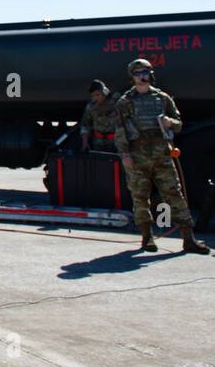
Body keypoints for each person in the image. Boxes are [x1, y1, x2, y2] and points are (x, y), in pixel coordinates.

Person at [113, 59, 210, 255]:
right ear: (132, 77)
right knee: (140, 197)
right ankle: (147, 237)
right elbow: (120, 129)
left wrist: (169, 122)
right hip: (137, 155)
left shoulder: (163, 98)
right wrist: (124, 154)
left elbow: (179, 124)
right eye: (137, 73)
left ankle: (188, 238)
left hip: (161, 154)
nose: (141, 76)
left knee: (174, 194)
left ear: (150, 74)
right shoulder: (125, 102)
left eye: (144, 72)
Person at [78, 79, 119, 152]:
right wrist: (85, 142)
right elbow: (85, 124)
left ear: (104, 92)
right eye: (93, 95)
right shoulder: (91, 107)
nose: (95, 98)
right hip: (98, 143)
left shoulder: (116, 103)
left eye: (97, 95)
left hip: (115, 142)